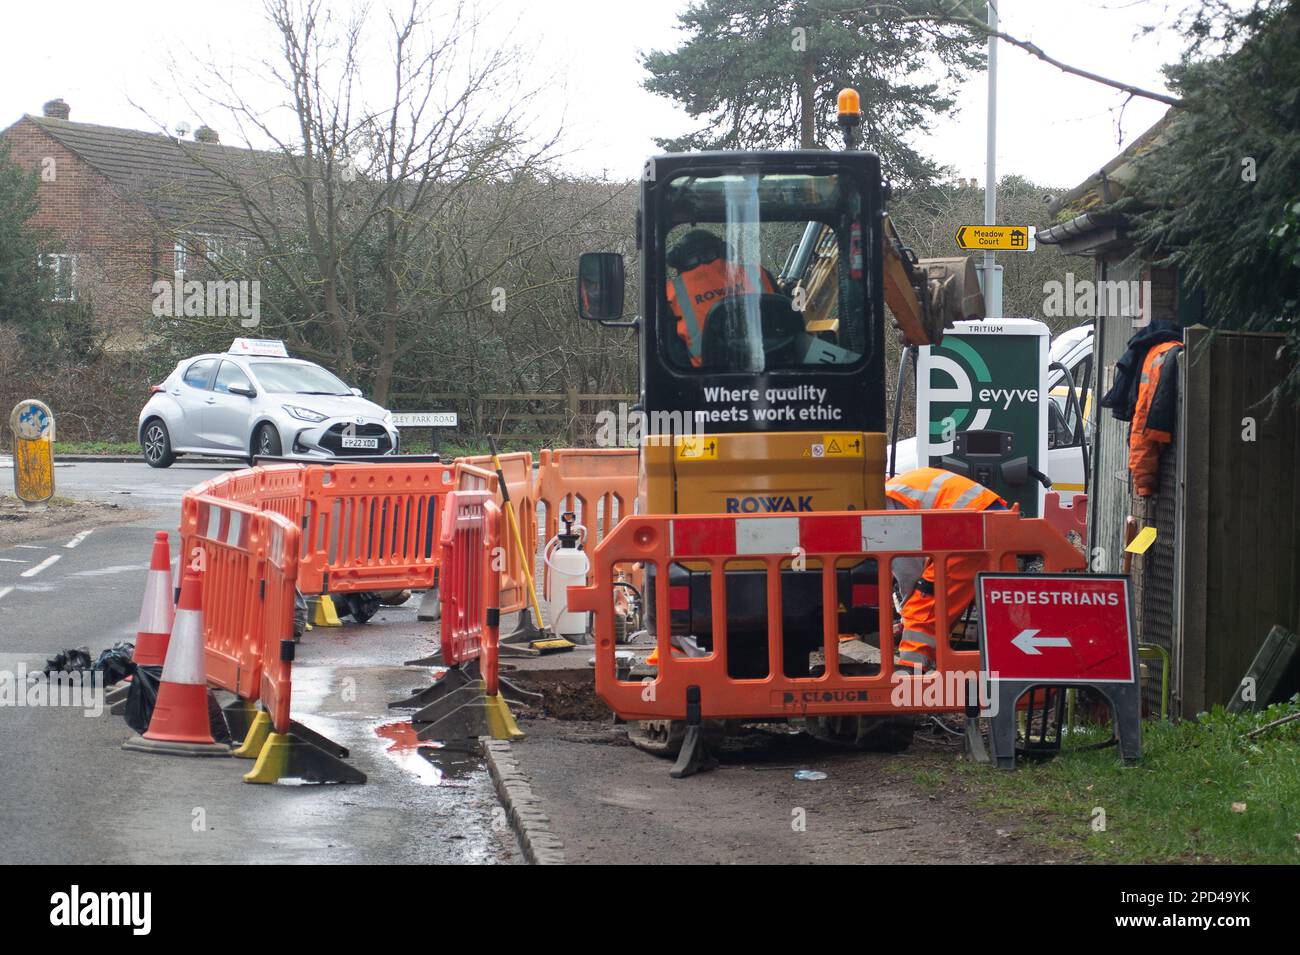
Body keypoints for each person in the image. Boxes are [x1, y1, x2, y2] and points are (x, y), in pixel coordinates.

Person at [884, 467, 1008, 675]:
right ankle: (1011, 673)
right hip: (992, 522)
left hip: (969, 530)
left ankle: (910, 680)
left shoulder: (886, 502)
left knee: (924, 605)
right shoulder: (901, 486)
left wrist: (907, 611)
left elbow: (909, 571)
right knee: (1003, 610)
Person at [665, 229, 776, 367]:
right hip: (771, 367)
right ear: (724, 251)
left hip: (707, 381)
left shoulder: (671, 292)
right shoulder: (757, 273)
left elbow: (672, 354)